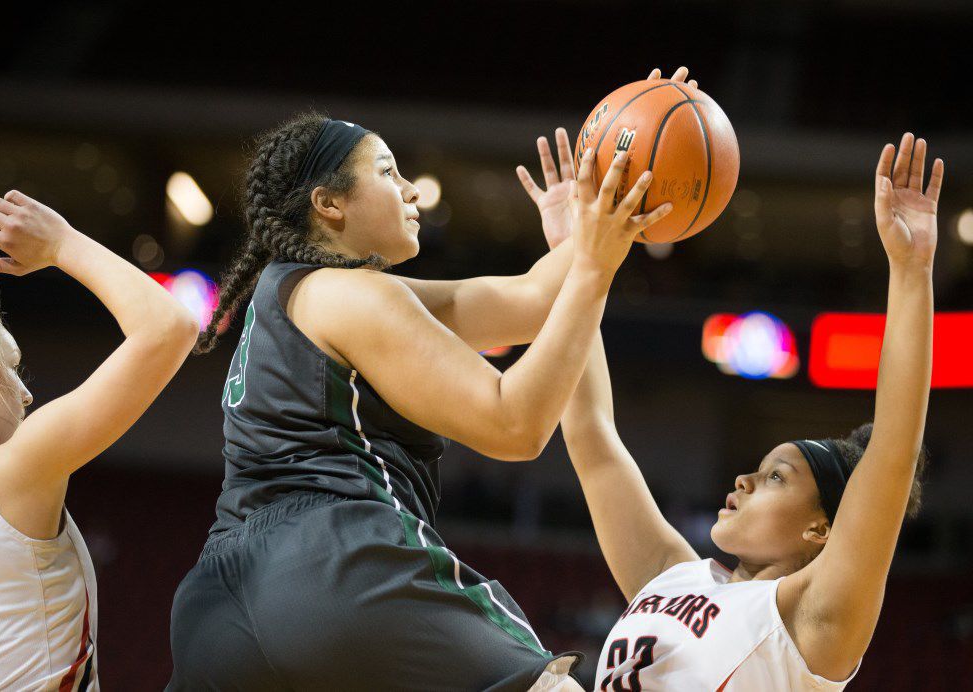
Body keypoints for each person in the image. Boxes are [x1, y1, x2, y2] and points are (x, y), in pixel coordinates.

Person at [167, 69, 697, 691]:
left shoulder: (292, 295)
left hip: (216, 607)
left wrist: (586, 237)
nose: (413, 189)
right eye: (389, 172)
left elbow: (529, 300)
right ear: (328, 204)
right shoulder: (354, 296)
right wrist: (593, 268)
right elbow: (514, 424)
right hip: (339, 570)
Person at [556, 132, 941, 690]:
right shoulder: (674, 577)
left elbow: (893, 452)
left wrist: (912, 269)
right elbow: (592, 435)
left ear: (822, 528)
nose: (742, 479)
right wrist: (575, 257)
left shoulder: (811, 622)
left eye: (774, 478)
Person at [0, 191, 199, 689]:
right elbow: (170, 327)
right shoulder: (7, 476)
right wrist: (61, 243)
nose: (24, 394)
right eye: (11, 368)